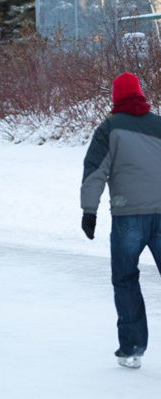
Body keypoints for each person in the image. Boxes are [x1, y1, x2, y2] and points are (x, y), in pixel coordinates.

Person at [80, 72, 161, 369]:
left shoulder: (109, 128)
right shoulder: (159, 124)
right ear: (139, 94)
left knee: (126, 279)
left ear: (115, 97)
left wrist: (89, 210)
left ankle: (132, 349)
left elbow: (95, 170)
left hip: (129, 217)